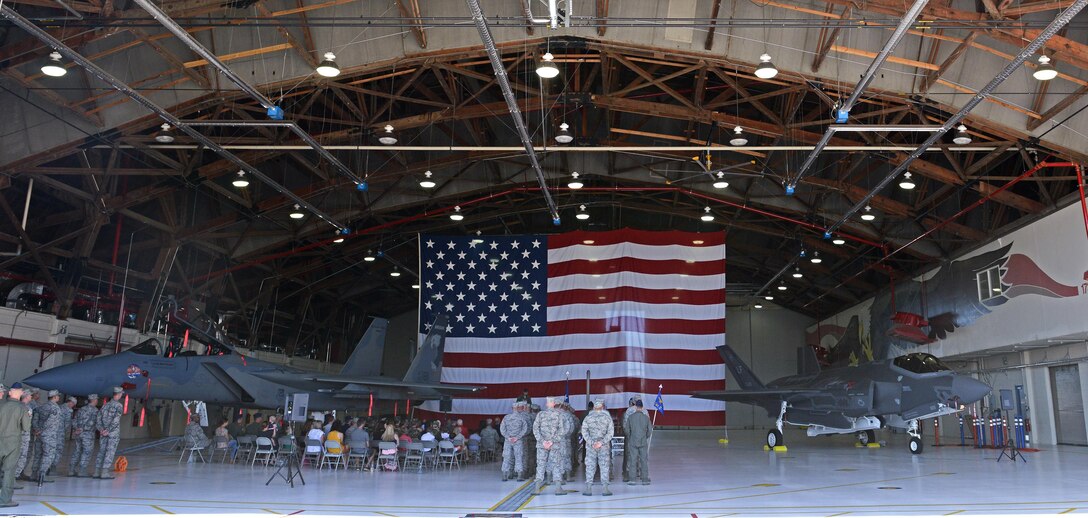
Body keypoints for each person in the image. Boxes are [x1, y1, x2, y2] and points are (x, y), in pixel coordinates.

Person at [533, 397, 572, 496]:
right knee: (556, 465)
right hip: (555, 445)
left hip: (542, 445)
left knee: (541, 465)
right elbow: (562, 430)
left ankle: (537, 489)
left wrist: (543, 441)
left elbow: (535, 429)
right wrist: (551, 441)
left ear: (547, 404)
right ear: (554, 404)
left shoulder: (540, 415)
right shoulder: (559, 415)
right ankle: (558, 489)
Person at [0, 385, 31, 508]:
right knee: (9, 470)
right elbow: (26, 427)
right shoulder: (22, 408)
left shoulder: (1, 405)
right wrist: (28, 416)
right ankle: (5, 499)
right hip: (13, 443)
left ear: (10, 392)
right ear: (21, 393)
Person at [581, 399, 615, 496]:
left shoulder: (588, 418)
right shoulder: (607, 418)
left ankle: (588, 488)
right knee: (604, 466)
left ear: (594, 407)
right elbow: (611, 433)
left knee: (590, 466)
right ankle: (605, 489)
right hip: (603, 446)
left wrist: (592, 442)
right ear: (602, 406)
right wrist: (601, 442)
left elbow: (584, 432)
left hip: (591, 447)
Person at [93, 387, 124, 479]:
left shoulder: (105, 405)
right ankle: (105, 472)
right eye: (121, 393)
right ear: (118, 394)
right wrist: (109, 430)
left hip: (103, 433)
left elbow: (98, 418)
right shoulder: (118, 406)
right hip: (112, 433)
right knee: (110, 452)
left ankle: (97, 472)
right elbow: (116, 420)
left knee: (102, 451)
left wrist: (101, 430)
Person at [32, 389, 62, 483]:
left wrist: (37, 429)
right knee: (48, 455)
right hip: (49, 435)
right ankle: (42, 475)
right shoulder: (55, 408)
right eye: (58, 396)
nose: (59, 397)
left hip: (39, 435)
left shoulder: (41, 406)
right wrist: (41, 430)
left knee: (38, 455)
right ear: (55, 397)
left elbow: (35, 419)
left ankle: (33, 474)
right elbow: (50, 422)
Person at [68, 394, 98, 477]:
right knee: (86, 452)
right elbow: (94, 423)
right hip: (88, 434)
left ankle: (71, 470)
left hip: (78, 434)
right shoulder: (95, 411)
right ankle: (82, 470)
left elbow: (74, 420)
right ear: (94, 400)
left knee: (77, 451)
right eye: (96, 399)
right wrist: (83, 429)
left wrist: (76, 429)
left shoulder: (81, 409)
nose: (97, 401)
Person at [625, 399, 652, 486]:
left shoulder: (630, 417)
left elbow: (627, 430)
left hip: (633, 441)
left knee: (633, 460)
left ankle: (632, 479)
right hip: (643, 441)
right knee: (643, 460)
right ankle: (645, 479)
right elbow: (649, 430)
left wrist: (630, 437)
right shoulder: (646, 418)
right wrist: (645, 437)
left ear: (636, 406)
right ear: (642, 407)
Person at [499, 401, 528, 481]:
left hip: (508, 441)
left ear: (512, 408)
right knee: (518, 457)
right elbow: (525, 429)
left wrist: (508, 437)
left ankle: (505, 475)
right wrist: (517, 437)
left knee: (507, 457)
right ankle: (519, 475)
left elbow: (502, 429)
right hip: (517, 441)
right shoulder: (522, 418)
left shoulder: (506, 417)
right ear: (519, 408)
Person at [12, 388, 33, 483]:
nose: (31, 397)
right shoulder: (27, 408)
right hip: (23, 437)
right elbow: (26, 425)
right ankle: (14, 478)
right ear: (26, 396)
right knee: (21, 457)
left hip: (14, 436)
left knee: (13, 457)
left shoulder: (15, 406)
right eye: (30, 395)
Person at [51, 396, 75, 476]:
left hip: (53, 432)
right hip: (60, 433)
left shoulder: (59, 407)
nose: (73, 406)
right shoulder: (67, 410)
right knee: (58, 450)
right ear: (70, 402)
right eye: (73, 404)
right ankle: (52, 468)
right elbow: (67, 424)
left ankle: (48, 467)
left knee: (51, 449)